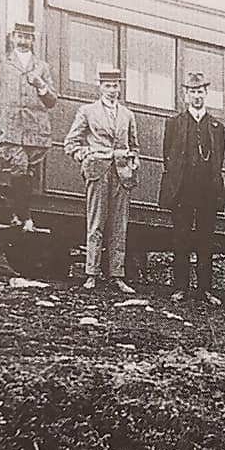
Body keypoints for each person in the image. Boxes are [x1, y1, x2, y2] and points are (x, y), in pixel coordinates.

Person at [0, 21, 58, 232]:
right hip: (10, 127)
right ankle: (24, 217)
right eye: (20, 36)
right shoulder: (3, 61)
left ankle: (20, 216)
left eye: (28, 37)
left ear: (33, 40)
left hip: (35, 129)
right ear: (12, 37)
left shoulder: (42, 67)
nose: (24, 41)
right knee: (19, 164)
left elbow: (52, 101)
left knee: (26, 171)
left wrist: (41, 86)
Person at [62, 69, 139, 293]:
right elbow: (70, 143)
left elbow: (134, 146)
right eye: (108, 86)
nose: (113, 90)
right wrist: (85, 155)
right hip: (98, 171)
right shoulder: (87, 111)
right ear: (100, 87)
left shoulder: (127, 115)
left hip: (122, 174)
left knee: (119, 226)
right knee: (96, 223)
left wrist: (133, 163)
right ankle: (91, 274)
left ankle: (117, 275)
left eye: (116, 86)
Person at [160, 72, 225, 304]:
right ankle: (180, 288)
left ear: (206, 94)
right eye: (192, 92)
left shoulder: (217, 126)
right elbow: (168, 157)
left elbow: (219, 158)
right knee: (181, 238)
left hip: (207, 192)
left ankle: (205, 290)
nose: (196, 96)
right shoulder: (173, 123)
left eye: (200, 92)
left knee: (206, 240)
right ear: (185, 95)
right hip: (182, 191)